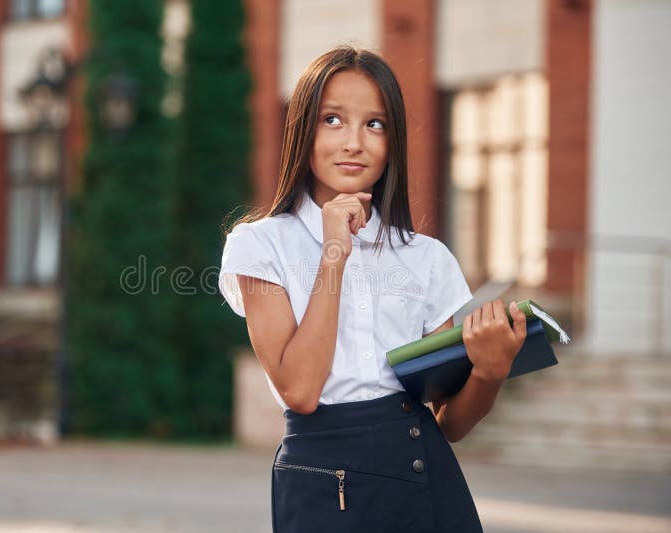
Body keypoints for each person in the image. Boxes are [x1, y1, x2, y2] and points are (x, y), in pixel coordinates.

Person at [218, 46, 527, 532]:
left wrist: (489, 372)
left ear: (393, 141)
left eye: (375, 124)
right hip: (322, 483)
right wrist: (335, 252)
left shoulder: (426, 257)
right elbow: (299, 390)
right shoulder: (259, 246)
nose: (354, 143)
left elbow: (448, 422)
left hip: (425, 478)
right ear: (303, 129)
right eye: (333, 120)